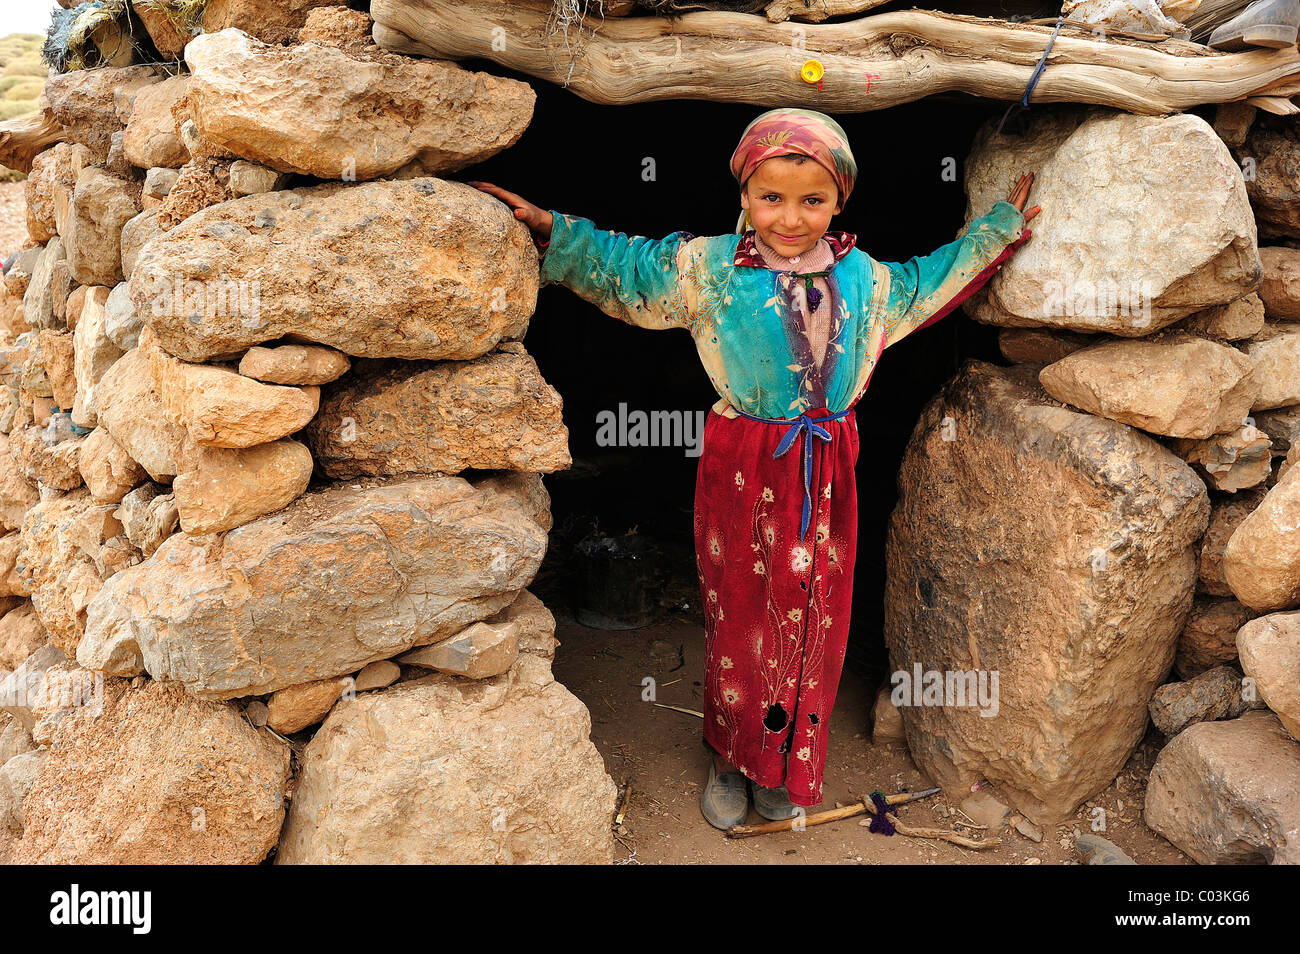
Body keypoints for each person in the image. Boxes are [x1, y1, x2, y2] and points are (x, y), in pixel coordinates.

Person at [468, 107, 1039, 831]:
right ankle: (732, 759)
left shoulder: (865, 279)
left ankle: (784, 767)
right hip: (744, 467)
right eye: (772, 198)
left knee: (816, 626)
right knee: (740, 618)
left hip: (827, 472)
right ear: (744, 196)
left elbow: (933, 280)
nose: (791, 218)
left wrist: (993, 233)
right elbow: (627, 266)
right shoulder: (708, 269)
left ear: (839, 202)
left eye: (812, 200)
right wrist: (557, 230)